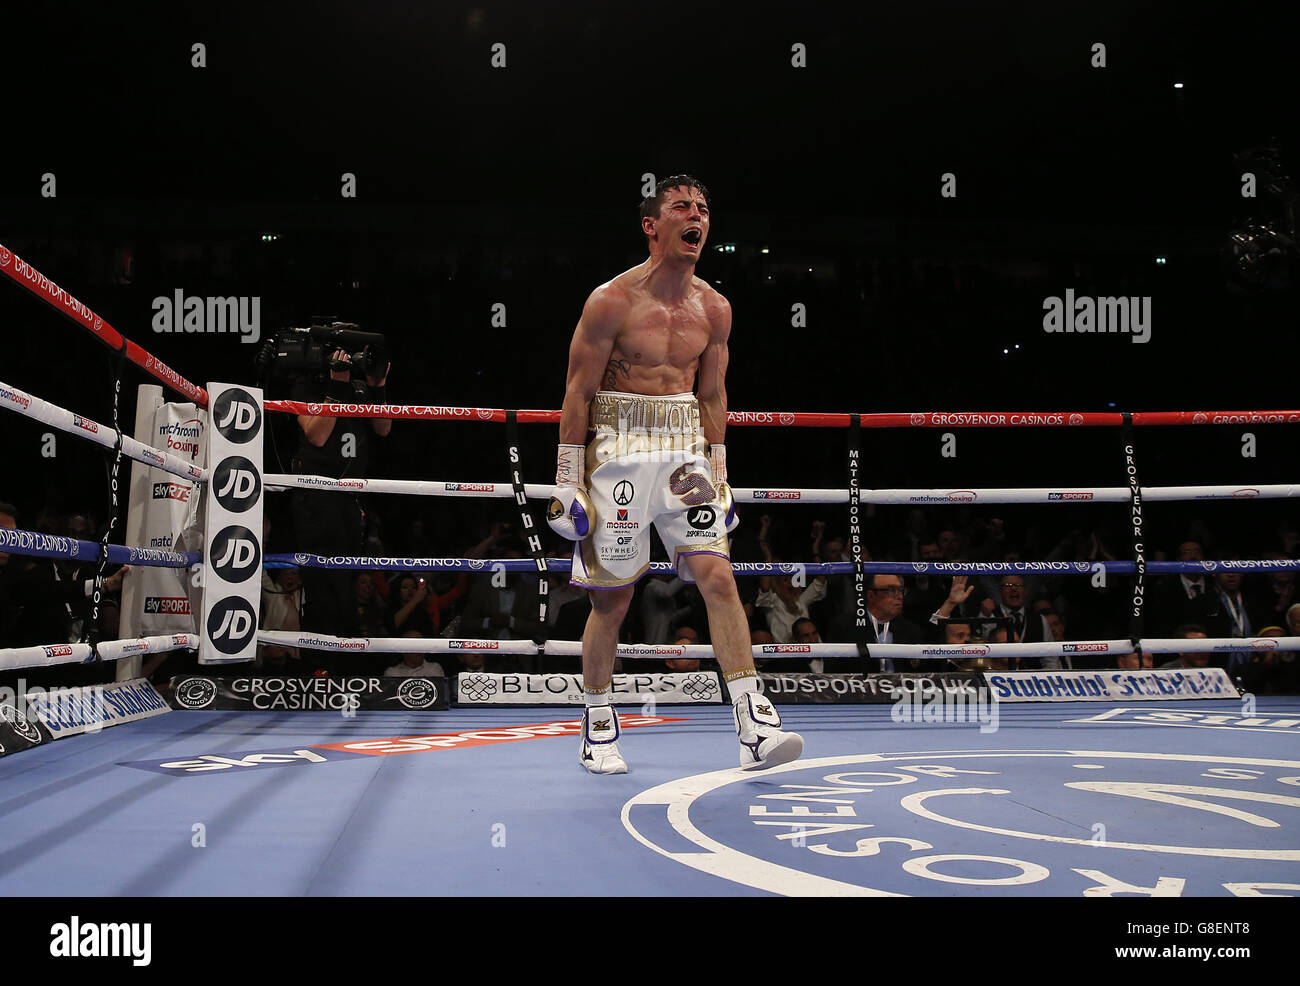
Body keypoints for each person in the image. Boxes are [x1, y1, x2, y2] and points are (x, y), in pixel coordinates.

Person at [548, 174, 802, 774]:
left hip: (686, 445)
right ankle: (598, 723)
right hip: (618, 444)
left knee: (718, 576)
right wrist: (567, 480)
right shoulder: (610, 300)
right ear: (651, 226)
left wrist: (719, 469)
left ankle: (753, 723)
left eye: (704, 208)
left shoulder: (715, 307)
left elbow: (714, 396)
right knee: (613, 598)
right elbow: (578, 392)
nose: (698, 216)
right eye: (682, 206)